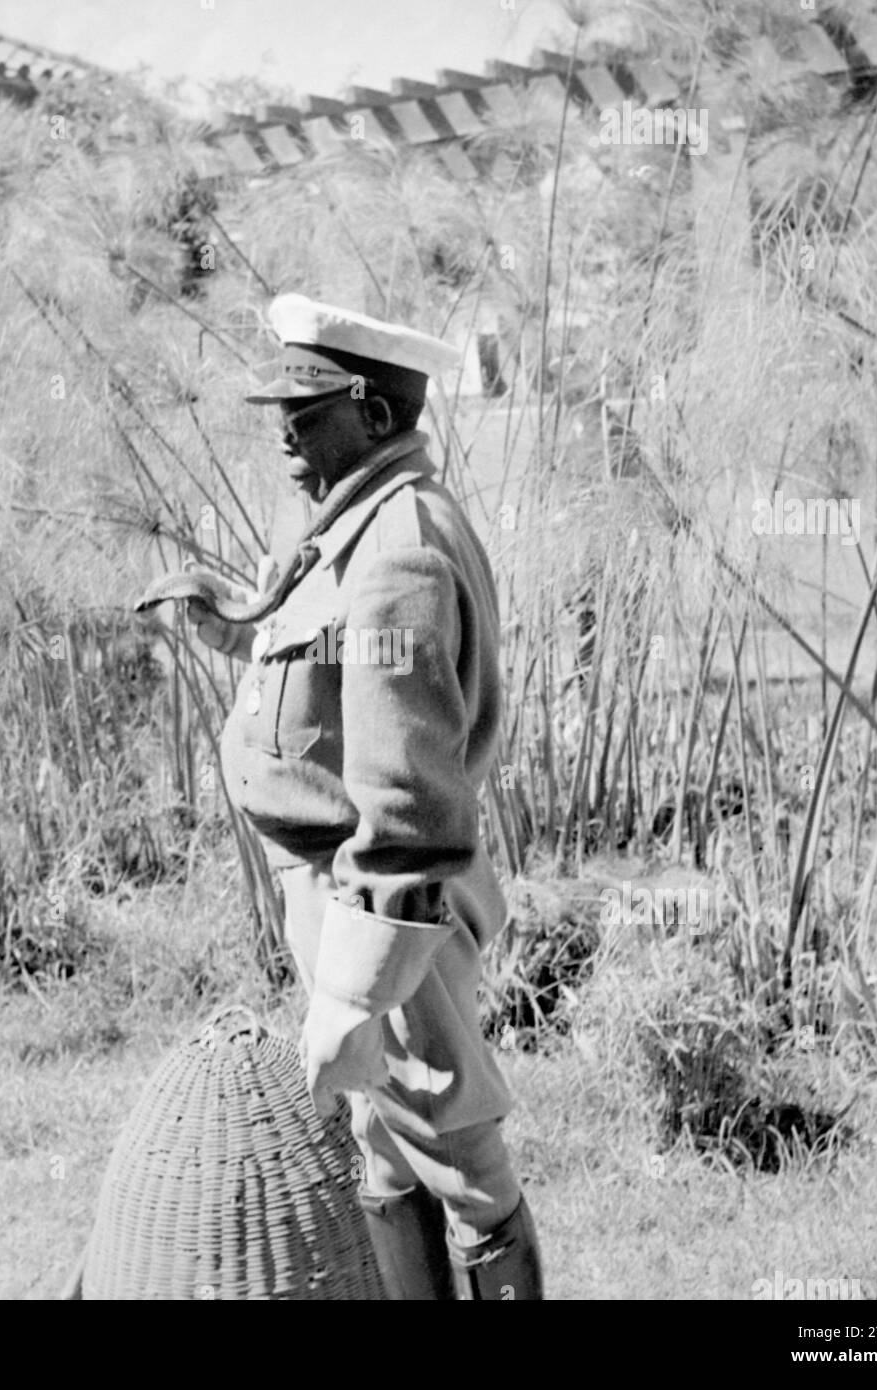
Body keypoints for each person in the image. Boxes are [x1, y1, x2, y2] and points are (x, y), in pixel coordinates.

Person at [191, 293, 543, 1301]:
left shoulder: (398, 553)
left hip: (388, 914)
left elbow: (406, 799)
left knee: (455, 1154)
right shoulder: (355, 523)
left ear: (375, 416)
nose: (286, 440)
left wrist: (354, 989)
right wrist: (234, 624)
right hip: (348, 903)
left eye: (306, 418)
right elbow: (334, 679)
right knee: (385, 1144)